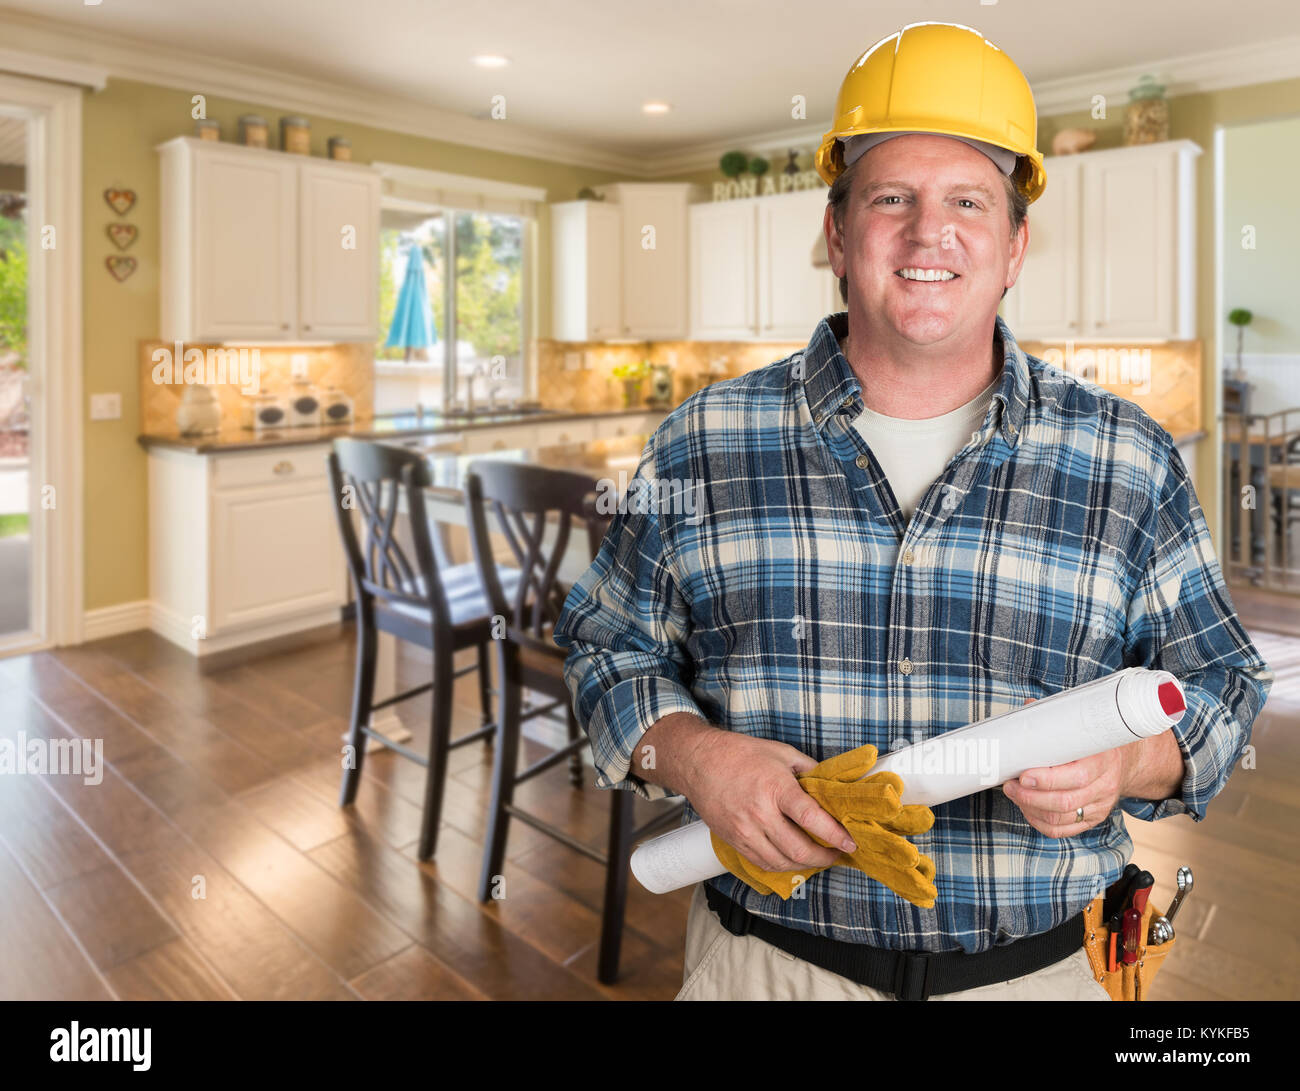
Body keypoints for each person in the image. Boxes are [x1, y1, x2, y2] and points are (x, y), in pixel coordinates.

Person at [552, 21, 1272, 1001]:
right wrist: (695, 755)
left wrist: (1133, 757)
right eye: (891, 197)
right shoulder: (702, 442)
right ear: (837, 235)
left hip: (1040, 973)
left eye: (968, 201)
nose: (929, 231)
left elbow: (1223, 682)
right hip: (761, 967)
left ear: (1014, 247)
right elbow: (605, 647)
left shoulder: (1126, 459)